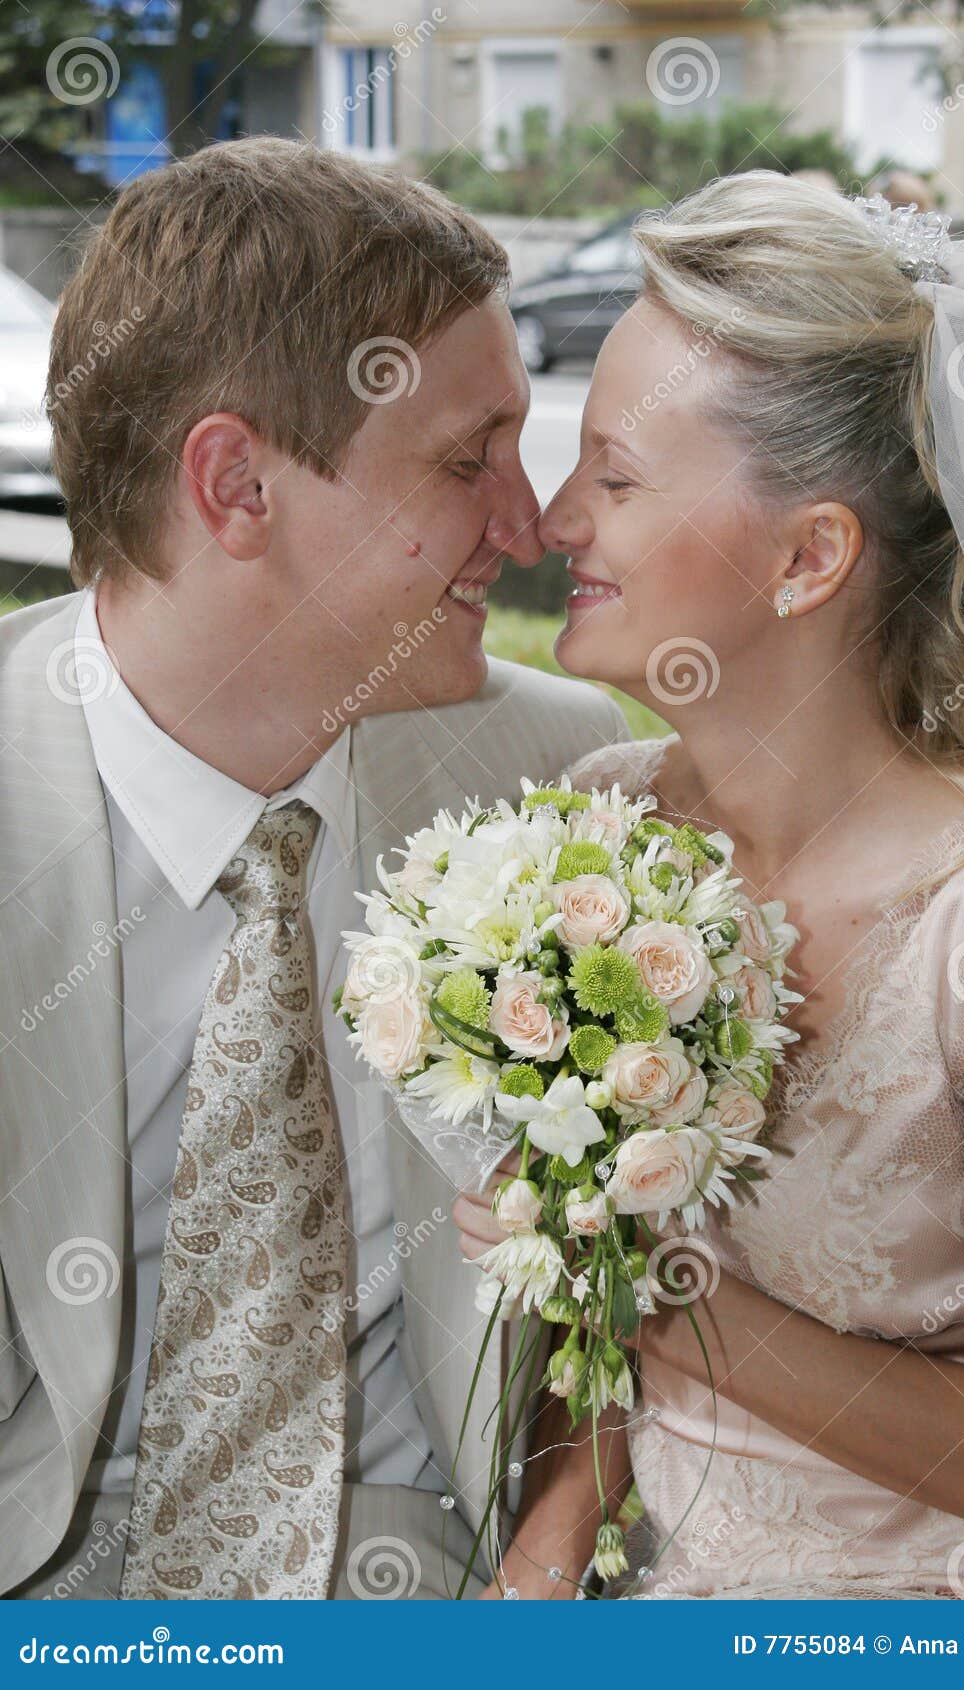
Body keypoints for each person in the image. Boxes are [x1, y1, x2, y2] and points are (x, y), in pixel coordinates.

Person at [0, 138, 626, 1600]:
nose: (527, 527)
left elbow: (629, 1283)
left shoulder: (554, 784)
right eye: (468, 460)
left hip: (437, 1567)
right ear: (236, 486)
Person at [454, 172, 964, 1599]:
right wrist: (538, 1572)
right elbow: (590, 1377)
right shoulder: (594, 837)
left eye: (613, 476)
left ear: (809, 558)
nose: (551, 520)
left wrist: (659, 1292)